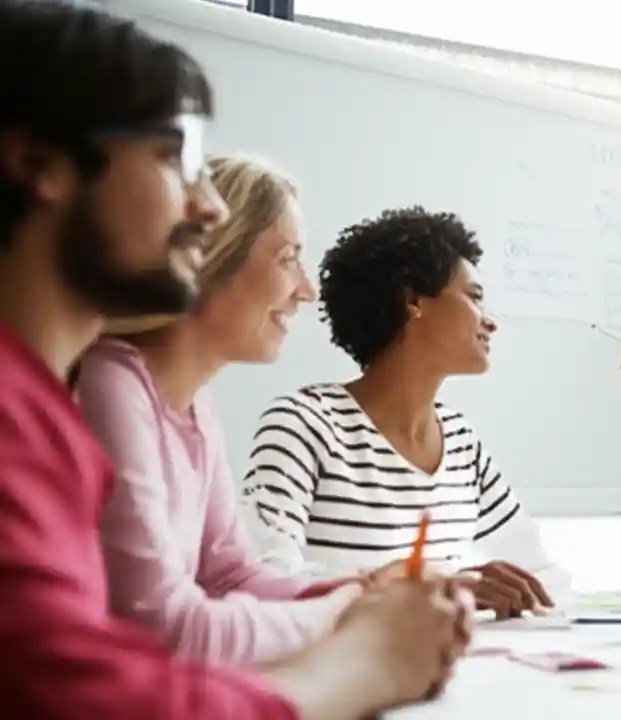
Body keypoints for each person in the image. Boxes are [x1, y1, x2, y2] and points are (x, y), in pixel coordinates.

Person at [0, 2, 470, 718]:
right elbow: (101, 680)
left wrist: (357, 604)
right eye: (171, 157)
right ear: (38, 164)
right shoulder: (58, 401)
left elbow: (215, 577)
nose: (209, 209)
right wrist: (363, 650)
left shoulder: (44, 413)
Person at [76, 153, 366, 666]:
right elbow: (159, 625)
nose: (307, 289)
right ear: (213, 260)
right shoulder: (110, 385)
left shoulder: (195, 405)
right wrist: (343, 613)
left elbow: (228, 575)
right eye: (287, 258)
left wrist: (361, 592)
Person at [243, 206, 567, 619]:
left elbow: (539, 572)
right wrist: (443, 588)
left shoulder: (461, 441)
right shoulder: (304, 424)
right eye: (474, 297)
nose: (490, 322)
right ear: (414, 300)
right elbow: (265, 581)